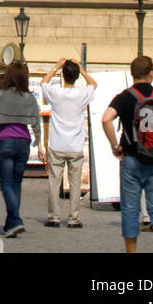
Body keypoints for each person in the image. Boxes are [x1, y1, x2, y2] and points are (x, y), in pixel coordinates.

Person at [101, 54, 153, 254]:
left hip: (132, 159)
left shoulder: (125, 97)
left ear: (132, 74)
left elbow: (106, 119)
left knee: (130, 209)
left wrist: (114, 145)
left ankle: (131, 251)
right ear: (151, 74)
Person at [0, 61, 44, 238]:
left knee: (7, 184)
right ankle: (10, 223)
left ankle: (16, 220)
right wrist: (39, 142)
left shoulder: (0, 95)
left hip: (6, 141)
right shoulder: (29, 98)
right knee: (16, 183)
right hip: (23, 142)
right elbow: (36, 122)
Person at [40, 56, 95, 228]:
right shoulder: (81, 94)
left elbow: (43, 83)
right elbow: (93, 84)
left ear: (63, 76)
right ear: (77, 76)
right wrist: (81, 67)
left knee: (54, 182)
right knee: (75, 182)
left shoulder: (56, 93)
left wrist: (56, 67)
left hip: (57, 143)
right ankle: (74, 218)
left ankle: (53, 216)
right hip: (75, 144)